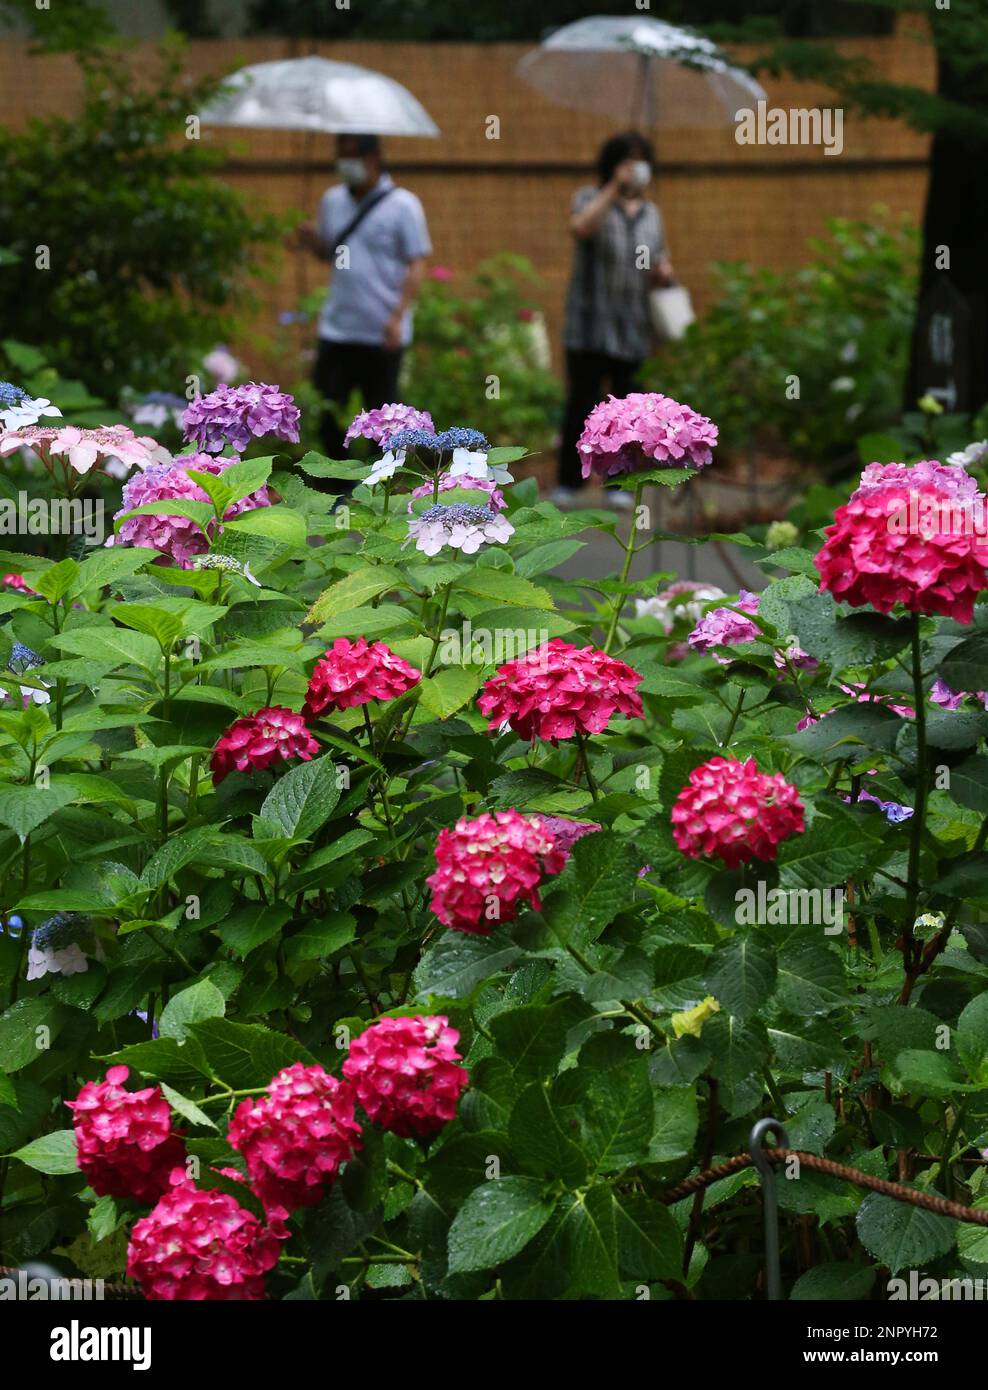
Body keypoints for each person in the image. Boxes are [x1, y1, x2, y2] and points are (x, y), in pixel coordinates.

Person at [555, 131, 675, 506]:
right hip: (589, 326)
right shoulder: (590, 199)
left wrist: (662, 272)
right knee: (581, 404)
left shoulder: (652, 213)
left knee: (628, 412)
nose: (634, 168)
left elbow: (661, 259)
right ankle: (568, 482)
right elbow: (581, 228)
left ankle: (619, 484)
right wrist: (613, 189)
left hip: (633, 327)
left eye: (640, 160)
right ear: (611, 165)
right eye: (626, 160)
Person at [297, 134, 431, 458]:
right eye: (339, 155)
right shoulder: (332, 200)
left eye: (350, 156)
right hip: (337, 328)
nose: (343, 164)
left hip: (381, 331)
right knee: (328, 413)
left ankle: (378, 491)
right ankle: (336, 490)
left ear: (372, 159)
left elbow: (417, 263)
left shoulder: (403, 205)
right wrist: (312, 241)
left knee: (382, 424)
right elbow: (331, 253)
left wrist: (398, 316)